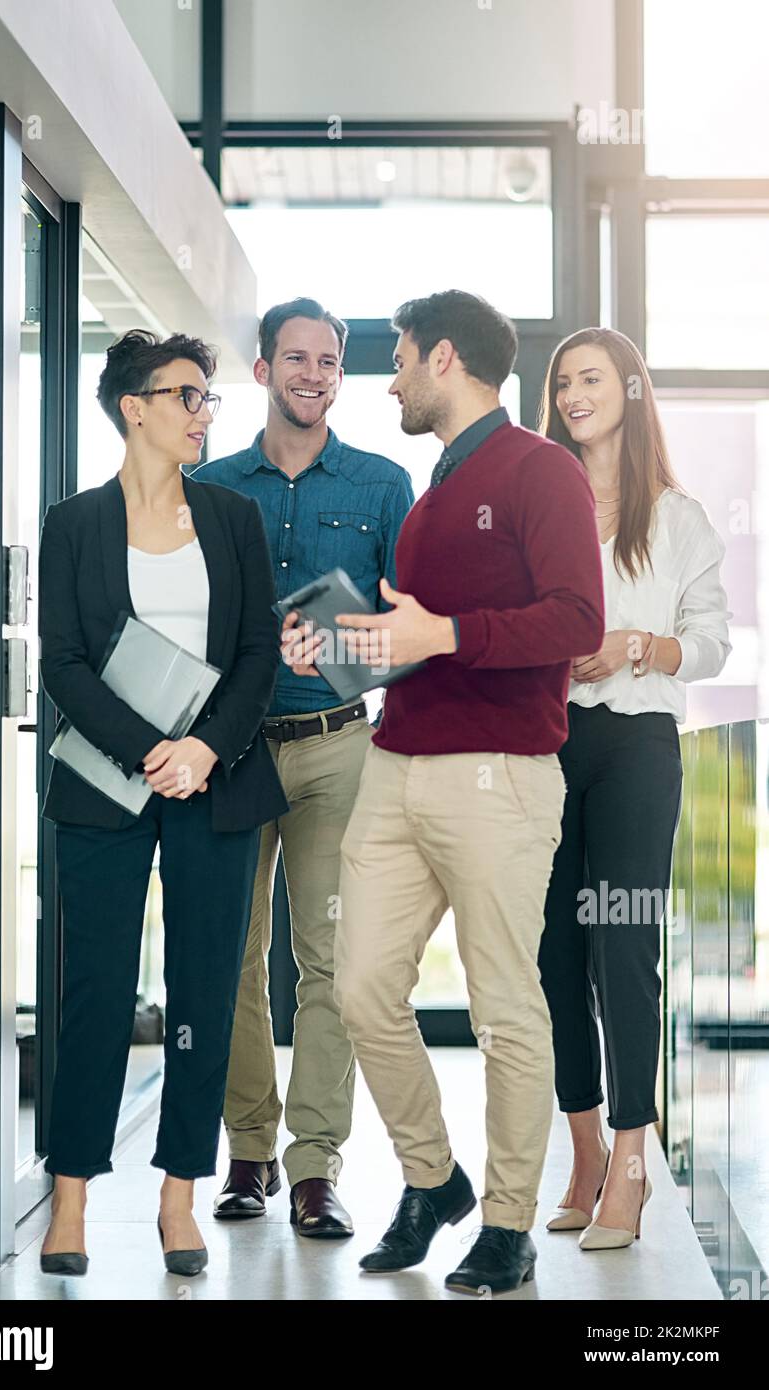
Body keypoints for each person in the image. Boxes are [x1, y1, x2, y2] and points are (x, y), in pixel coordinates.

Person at [328, 288, 605, 1296]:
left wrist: (438, 635)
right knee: (359, 987)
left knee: (505, 1007)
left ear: (444, 357)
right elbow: (422, 632)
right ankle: (433, 1177)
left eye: (398, 359)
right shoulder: (434, 485)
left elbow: (576, 619)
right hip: (394, 767)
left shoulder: (540, 472)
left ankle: (508, 1221)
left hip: (499, 778)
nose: (391, 380)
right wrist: (356, 645)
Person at [37, 329, 288, 1278]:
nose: (202, 413)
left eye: (207, 397)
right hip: (106, 786)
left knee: (204, 994)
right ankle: (71, 1202)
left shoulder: (230, 517)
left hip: (214, 787)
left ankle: (180, 1196)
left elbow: (259, 653)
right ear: (132, 407)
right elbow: (62, 663)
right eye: (186, 395)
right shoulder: (74, 523)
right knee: (93, 993)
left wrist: (202, 749)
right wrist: (148, 750)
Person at [190, 297, 414, 1236]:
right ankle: (249, 1156)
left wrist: (346, 647)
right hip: (231, 754)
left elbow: (413, 627)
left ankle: (315, 1165)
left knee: (331, 958)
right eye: (296, 357)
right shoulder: (208, 483)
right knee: (233, 959)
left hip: (337, 747)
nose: (314, 373)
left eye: (329, 361)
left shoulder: (380, 483)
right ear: (261, 370)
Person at [537, 326, 731, 1250]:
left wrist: (636, 649)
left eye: (590, 379)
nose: (575, 395)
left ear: (630, 388)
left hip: (637, 747)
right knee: (550, 954)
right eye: (563, 382)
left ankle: (629, 1162)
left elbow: (711, 639)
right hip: (545, 742)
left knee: (621, 947)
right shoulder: (542, 501)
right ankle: (579, 1151)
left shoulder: (676, 515)